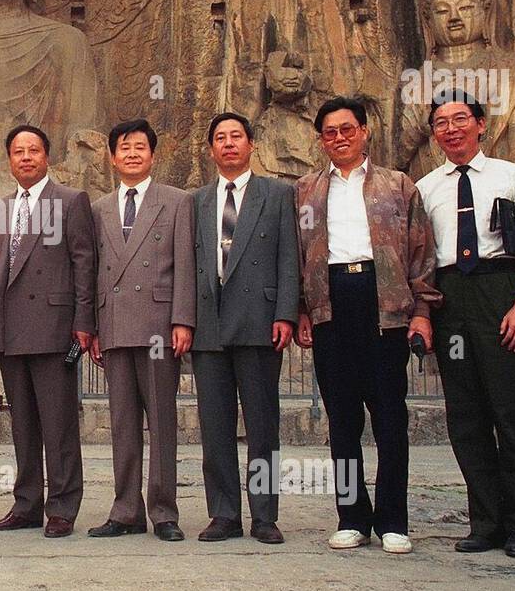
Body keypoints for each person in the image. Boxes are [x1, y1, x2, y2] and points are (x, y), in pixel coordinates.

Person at [294, 97, 441, 554]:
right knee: (341, 418)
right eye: (330, 131)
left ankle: (394, 518)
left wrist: (422, 309)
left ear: (364, 131)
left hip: (385, 302)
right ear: (321, 139)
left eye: (347, 128)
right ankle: (351, 515)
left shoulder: (398, 186)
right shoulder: (304, 191)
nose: (339, 137)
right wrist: (302, 309)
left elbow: (421, 250)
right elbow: (295, 257)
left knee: (390, 415)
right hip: (331, 301)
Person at [417, 90, 515, 558]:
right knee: (466, 416)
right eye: (440, 122)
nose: (450, 128)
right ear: (434, 134)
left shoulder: (512, 176)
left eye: (460, 119)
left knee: (511, 412)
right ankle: (486, 521)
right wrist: (424, 311)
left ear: (480, 124)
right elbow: (423, 256)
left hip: (501, 289)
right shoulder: (427, 187)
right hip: (450, 296)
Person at [190, 113, 298, 545]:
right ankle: (224, 513)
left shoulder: (277, 194)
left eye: (236, 136)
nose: (228, 144)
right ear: (211, 149)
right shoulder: (195, 200)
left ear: (252, 144)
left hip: (259, 321)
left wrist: (286, 314)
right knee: (214, 426)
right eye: (220, 138)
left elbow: (289, 256)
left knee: (261, 424)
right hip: (209, 325)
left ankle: (265, 515)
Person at [88, 119, 195, 542]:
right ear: (112, 157)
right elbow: (95, 272)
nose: (131, 154)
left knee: (162, 422)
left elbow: (185, 264)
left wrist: (182, 320)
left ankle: (164, 511)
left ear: (153, 154)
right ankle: (125, 510)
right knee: (122, 424)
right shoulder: (98, 208)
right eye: (124, 148)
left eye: (139, 147)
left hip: (158, 327)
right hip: (114, 325)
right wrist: (94, 326)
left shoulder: (176, 201)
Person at [0, 124, 97, 539]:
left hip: (55, 330)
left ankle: (63, 507)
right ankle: (27, 504)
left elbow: (83, 264)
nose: (26, 157)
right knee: (23, 426)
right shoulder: (0, 207)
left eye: (34, 150)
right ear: (10, 160)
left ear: (47, 156)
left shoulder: (70, 201)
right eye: (18, 152)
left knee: (59, 424)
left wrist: (84, 322)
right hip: (11, 330)